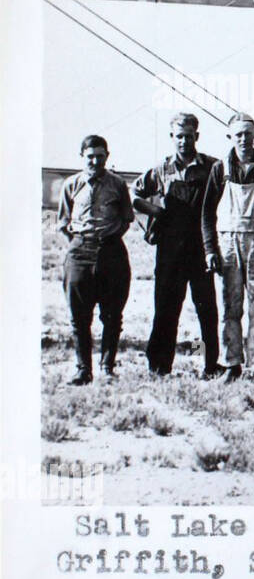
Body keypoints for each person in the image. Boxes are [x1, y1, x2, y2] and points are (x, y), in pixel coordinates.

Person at [131, 113, 220, 377]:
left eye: (188, 136)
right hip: (170, 250)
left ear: (197, 137)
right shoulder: (161, 169)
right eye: (179, 136)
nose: (183, 141)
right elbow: (134, 195)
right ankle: (159, 366)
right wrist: (156, 212)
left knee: (206, 309)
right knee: (166, 308)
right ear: (172, 138)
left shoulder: (212, 168)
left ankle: (210, 363)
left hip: (202, 247)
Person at [201, 113, 254, 382]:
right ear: (230, 137)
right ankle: (231, 365)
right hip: (227, 244)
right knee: (230, 306)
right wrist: (210, 250)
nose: (243, 139)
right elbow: (206, 214)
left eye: (248, 134)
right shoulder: (220, 169)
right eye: (238, 134)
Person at [58, 135, 134, 385]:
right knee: (79, 316)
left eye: (100, 156)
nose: (95, 161)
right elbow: (63, 223)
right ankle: (82, 370)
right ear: (82, 156)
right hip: (80, 252)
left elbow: (126, 219)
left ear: (107, 157)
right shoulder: (71, 185)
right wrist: (81, 243)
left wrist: (107, 239)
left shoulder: (118, 185)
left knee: (112, 314)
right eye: (90, 156)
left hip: (112, 253)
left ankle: (107, 368)